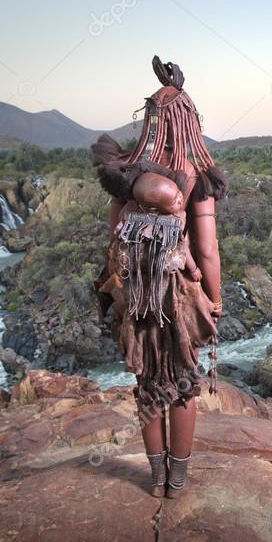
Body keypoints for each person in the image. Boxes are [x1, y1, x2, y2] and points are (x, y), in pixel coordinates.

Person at [91, 56, 228, 498]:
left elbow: (113, 235)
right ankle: (178, 480)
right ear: (189, 122)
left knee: (147, 379)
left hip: (133, 289)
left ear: (150, 121)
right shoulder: (196, 174)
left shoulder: (126, 173)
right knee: (182, 382)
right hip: (176, 291)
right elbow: (206, 249)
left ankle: (154, 478)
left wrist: (111, 290)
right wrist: (214, 299)